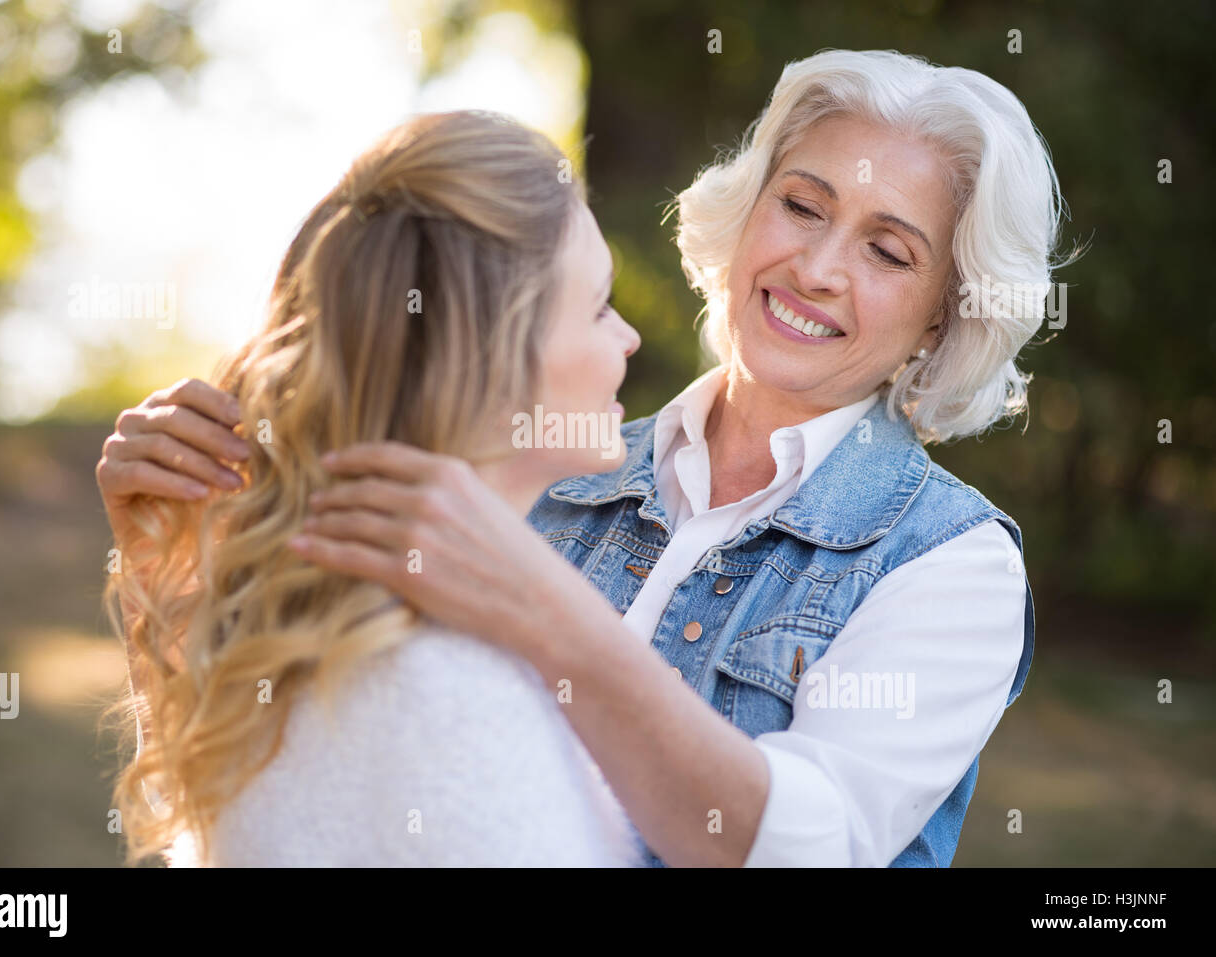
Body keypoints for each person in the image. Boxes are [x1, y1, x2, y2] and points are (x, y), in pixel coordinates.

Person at [106, 49, 1081, 867]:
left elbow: (808, 847)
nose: (819, 268)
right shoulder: (536, 460)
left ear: (942, 317)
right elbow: (284, 781)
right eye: (801, 205)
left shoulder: (949, 566)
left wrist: (551, 615)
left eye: (888, 252)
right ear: (747, 211)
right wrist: (170, 559)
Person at [97, 111, 644, 866]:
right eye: (597, 306)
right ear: (488, 366)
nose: (628, 337)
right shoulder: (450, 691)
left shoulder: (300, 648)